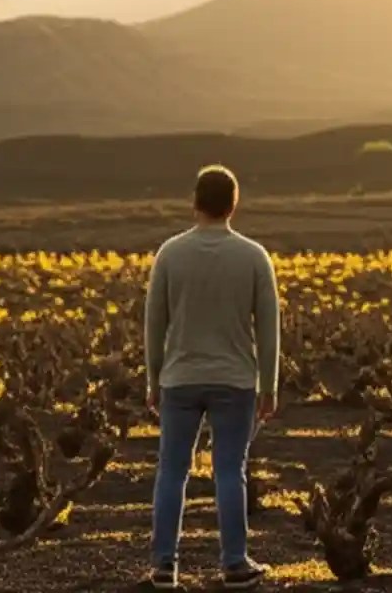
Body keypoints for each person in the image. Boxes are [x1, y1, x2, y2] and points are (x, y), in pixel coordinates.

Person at [144, 164, 280, 591]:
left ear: (195, 202)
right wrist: (269, 384)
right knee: (228, 471)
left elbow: (154, 324)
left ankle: (164, 566)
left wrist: (152, 378)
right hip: (235, 380)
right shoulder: (255, 257)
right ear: (233, 205)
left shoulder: (169, 254)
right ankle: (235, 564)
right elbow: (269, 329)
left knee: (171, 471)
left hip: (179, 379)